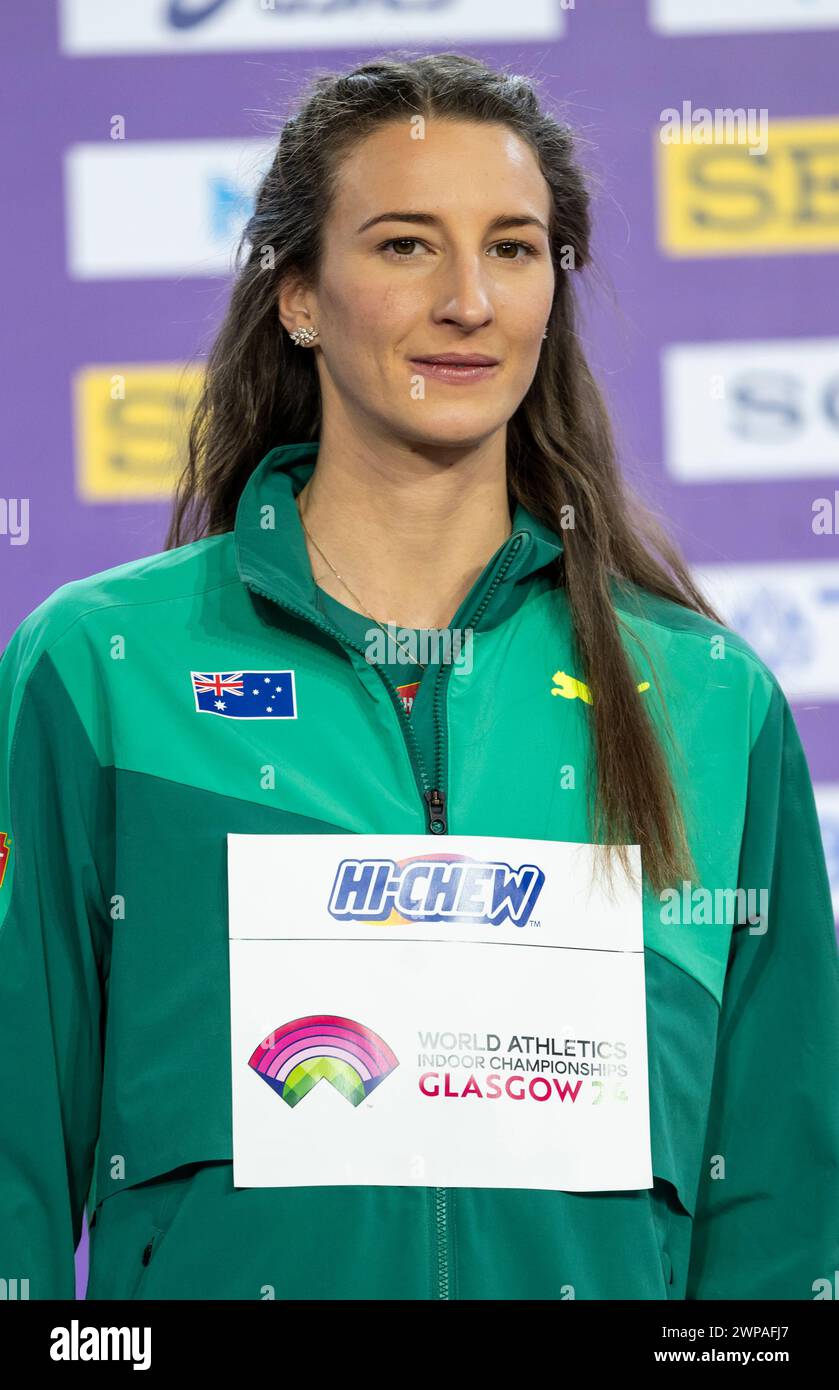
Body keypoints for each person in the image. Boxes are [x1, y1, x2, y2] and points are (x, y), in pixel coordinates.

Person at [1, 52, 837, 1302]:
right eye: (403, 245)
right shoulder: (102, 670)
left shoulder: (707, 698)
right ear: (297, 293)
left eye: (512, 249)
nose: (466, 302)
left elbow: (775, 1221)